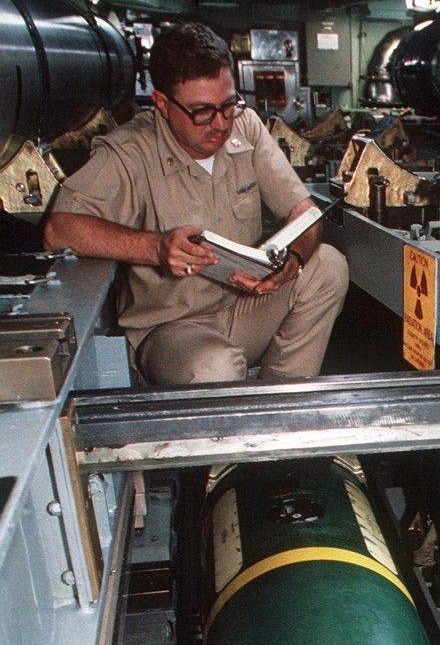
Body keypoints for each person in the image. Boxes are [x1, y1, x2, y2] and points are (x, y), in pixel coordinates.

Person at [43, 22, 349, 385]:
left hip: (243, 307)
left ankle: (283, 402)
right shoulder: (130, 152)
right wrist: (156, 248)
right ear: (162, 104)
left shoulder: (245, 127)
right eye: (202, 111)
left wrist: (294, 259)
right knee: (216, 367)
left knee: (328, 265)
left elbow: (306, 213)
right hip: (172, 330)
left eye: (228, 105)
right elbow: (58, 230)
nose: (220, 124)